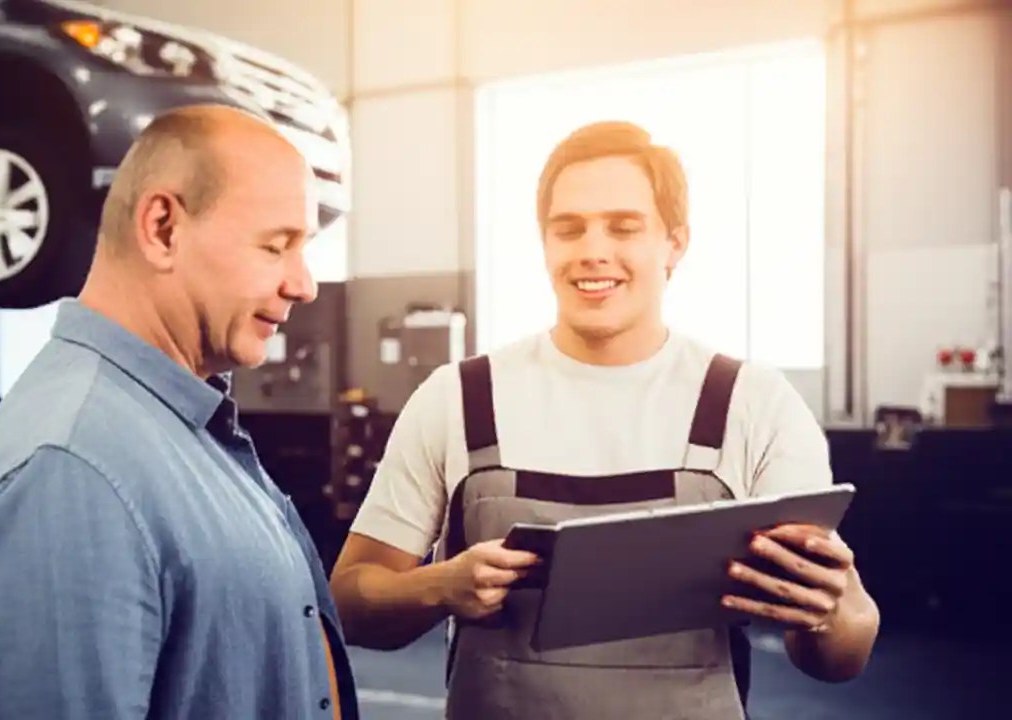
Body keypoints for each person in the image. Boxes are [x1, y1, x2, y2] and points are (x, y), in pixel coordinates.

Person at [329, 120, 879, 719]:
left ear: (674, 243)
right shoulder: (458, 397)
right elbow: (351, 604)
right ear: (545, 244)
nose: (593, 250)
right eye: (569, 229)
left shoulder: (754, 403)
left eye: (623, 227)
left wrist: (831, 612)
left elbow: (836, 656)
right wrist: (438, 586)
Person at [0, 104, 358, 720]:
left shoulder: (175, 422)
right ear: (162, 227)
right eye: (276, 246)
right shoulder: (71, 472)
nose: (305, 284)